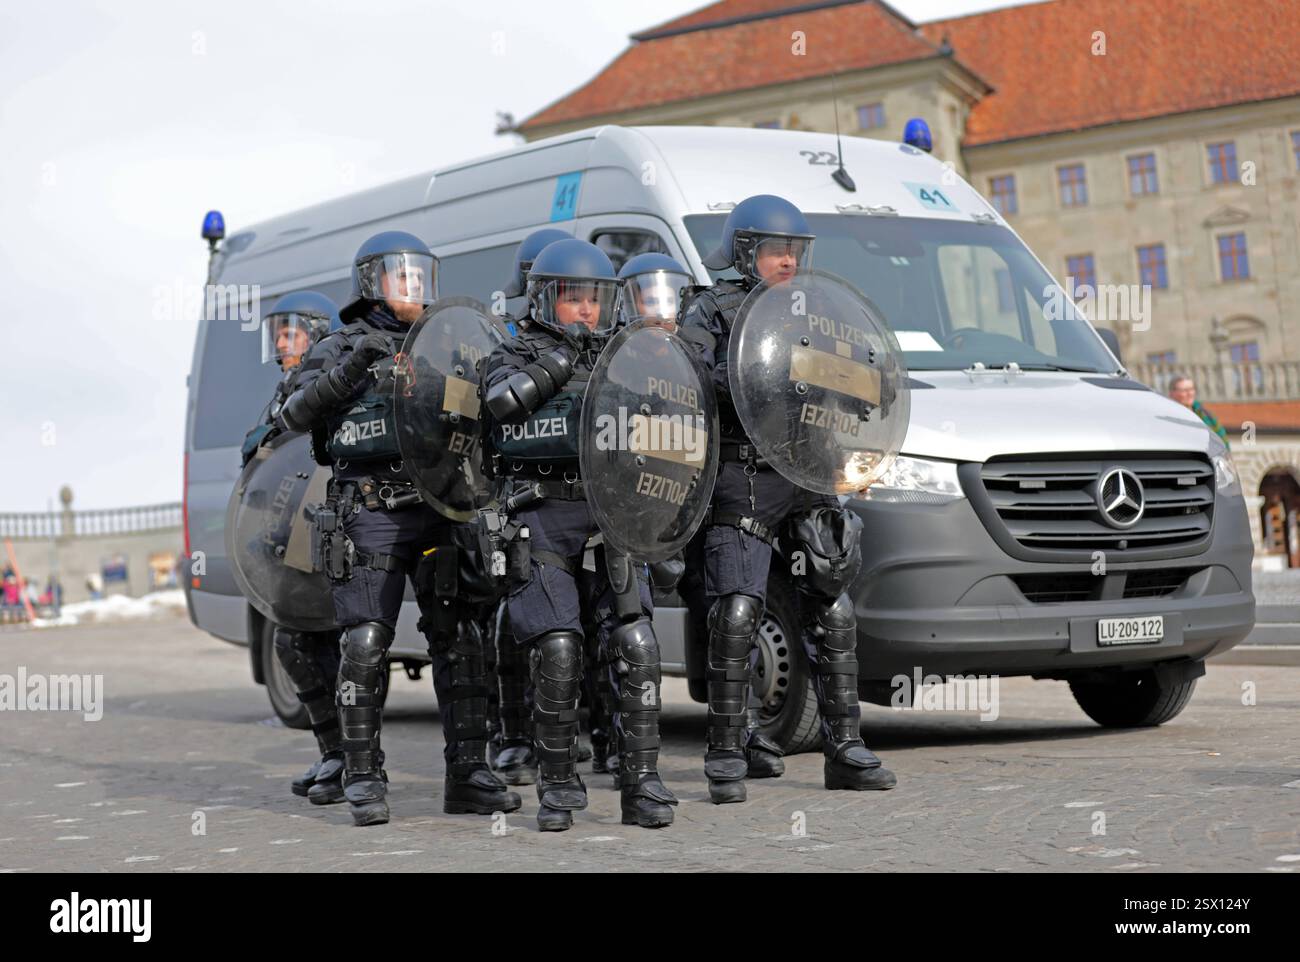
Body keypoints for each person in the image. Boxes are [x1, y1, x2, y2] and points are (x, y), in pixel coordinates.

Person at [280, 230, 520, 826]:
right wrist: (350, 373)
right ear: (371, 283)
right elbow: (294, 410)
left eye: (421, 276)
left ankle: (468, 774)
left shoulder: (446, 342)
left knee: (462, 637)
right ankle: (363, 777)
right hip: (372, 505)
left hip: (442, 505)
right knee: (364, 640)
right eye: (400, 276)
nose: (414, 287)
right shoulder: (341, 344)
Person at [680, 194, 897, 804]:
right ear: (746, 252)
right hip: (740, 475)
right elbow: (691, 382)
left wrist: (866, 386)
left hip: (807, 471)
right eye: (778, 250)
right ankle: (728, 746)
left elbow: (856, 379)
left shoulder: (818, 311)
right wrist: (775, 370)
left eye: (796, 251)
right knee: (737, 611)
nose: (788, 262)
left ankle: (845, 746)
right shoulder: (707, 311)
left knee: (833, 607)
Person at [483, 238, 676, 831]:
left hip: (609, 515)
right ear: (545, 298)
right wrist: (557, 364)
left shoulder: (628, 356)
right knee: (558, 650)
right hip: (540, 515)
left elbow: (667, 431)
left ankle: (641, 783)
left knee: (637, 645)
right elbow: (499, 406)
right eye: (573, 299)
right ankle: (558, 784)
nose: (586, 311)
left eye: (594, 299)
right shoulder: (509, 350)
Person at [240, 291, 349, 803]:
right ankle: (334, 754)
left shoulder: (334, 381)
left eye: (291, 333)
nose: (282, 343)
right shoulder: (282, 391)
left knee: (343, 649)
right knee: (296, 644)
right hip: (292, 542)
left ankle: (353, 760)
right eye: (278, 334)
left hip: (334, 535)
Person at [1169, 375, 1230, 449]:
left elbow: (1223, 441)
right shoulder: (1168, 416)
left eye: (1191, 389)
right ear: (1171, 393)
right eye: (1184, 390)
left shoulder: (1206, 415)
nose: (1190, 393)